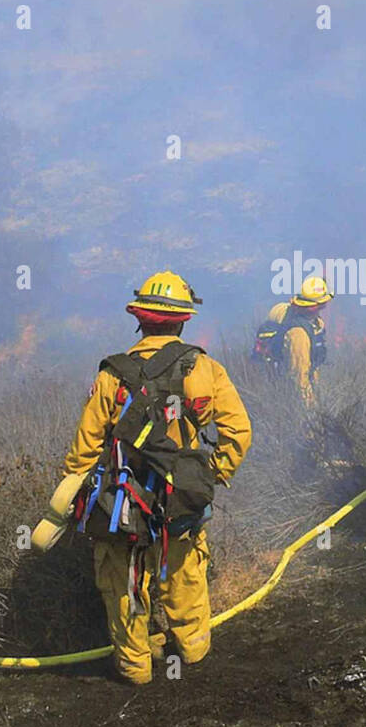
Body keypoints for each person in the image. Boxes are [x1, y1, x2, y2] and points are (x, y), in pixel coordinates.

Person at [60, 270, 252, 684]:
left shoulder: (112, 375)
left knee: (124, 586)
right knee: (183, 577)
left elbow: (84, 450)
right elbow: (239, 432)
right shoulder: (204, 369)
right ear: (183, 320)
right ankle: (194, 655)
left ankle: (136, 670)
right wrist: (209, 476)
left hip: (121, 505)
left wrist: (75, 498)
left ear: (140, 320)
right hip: (180, 501)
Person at [252, 276, 332, 405]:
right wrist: (311, 409)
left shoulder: (311, 324)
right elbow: (299, 376)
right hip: (290, 398)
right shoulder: (298, 334)